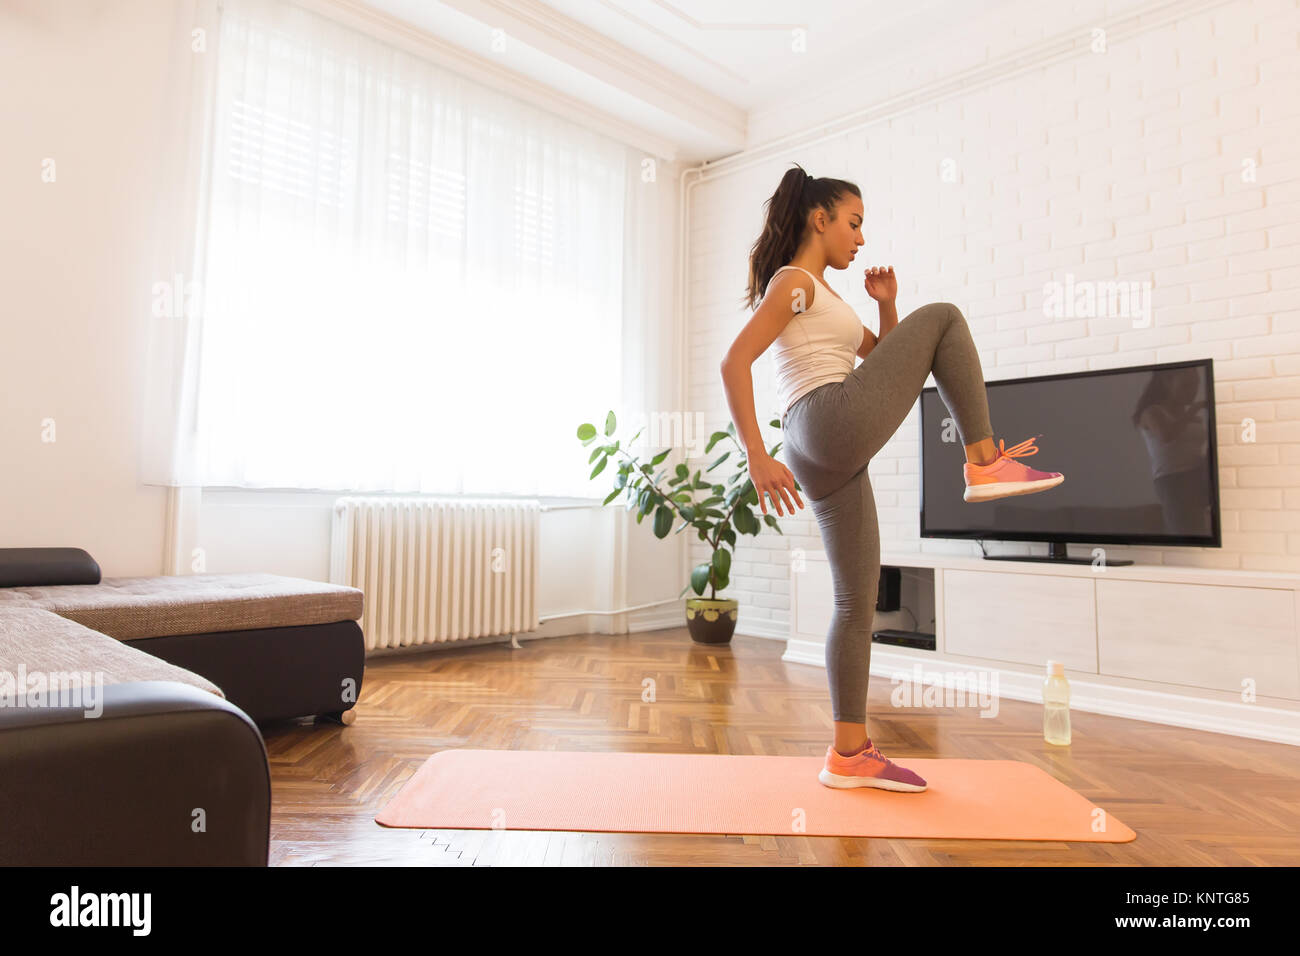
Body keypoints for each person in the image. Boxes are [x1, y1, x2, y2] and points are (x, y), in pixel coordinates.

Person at [719, 164, 1065, 792]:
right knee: (947, 317)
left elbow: (886, 365)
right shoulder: (795, 283)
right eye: (852, 224)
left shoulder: (825, 297)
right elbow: (734, 359)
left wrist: (887, 308)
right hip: (822, 420)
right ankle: (984, 461)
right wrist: (753, 454)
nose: (859, 238)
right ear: (818, 220)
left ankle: (848, 753)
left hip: (823, 445)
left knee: (856, 601)